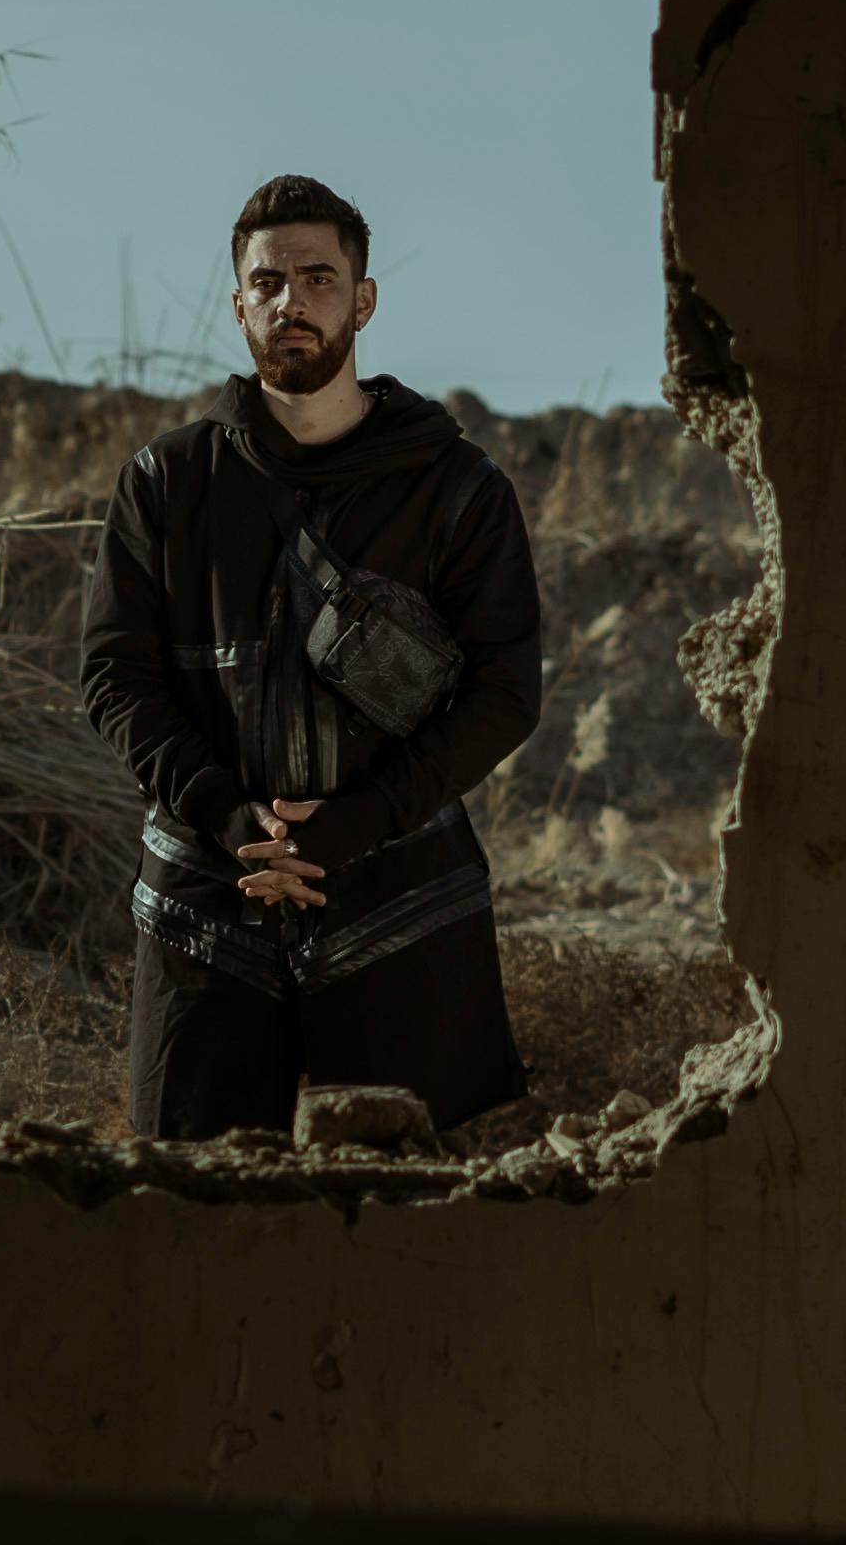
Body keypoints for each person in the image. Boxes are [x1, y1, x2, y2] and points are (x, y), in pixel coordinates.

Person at [75, 174, 547, 1141]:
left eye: (320, 278)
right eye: (269, 281)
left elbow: (506, 691)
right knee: (188, 1221)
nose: (294, 302)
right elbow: (117, 677)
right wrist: (225, 815)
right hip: (209, 896)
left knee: (406, 1228)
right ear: (238, 301)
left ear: (362, 299)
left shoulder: (457, 488)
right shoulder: (166, 482)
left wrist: (363, 820)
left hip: (402, 895)